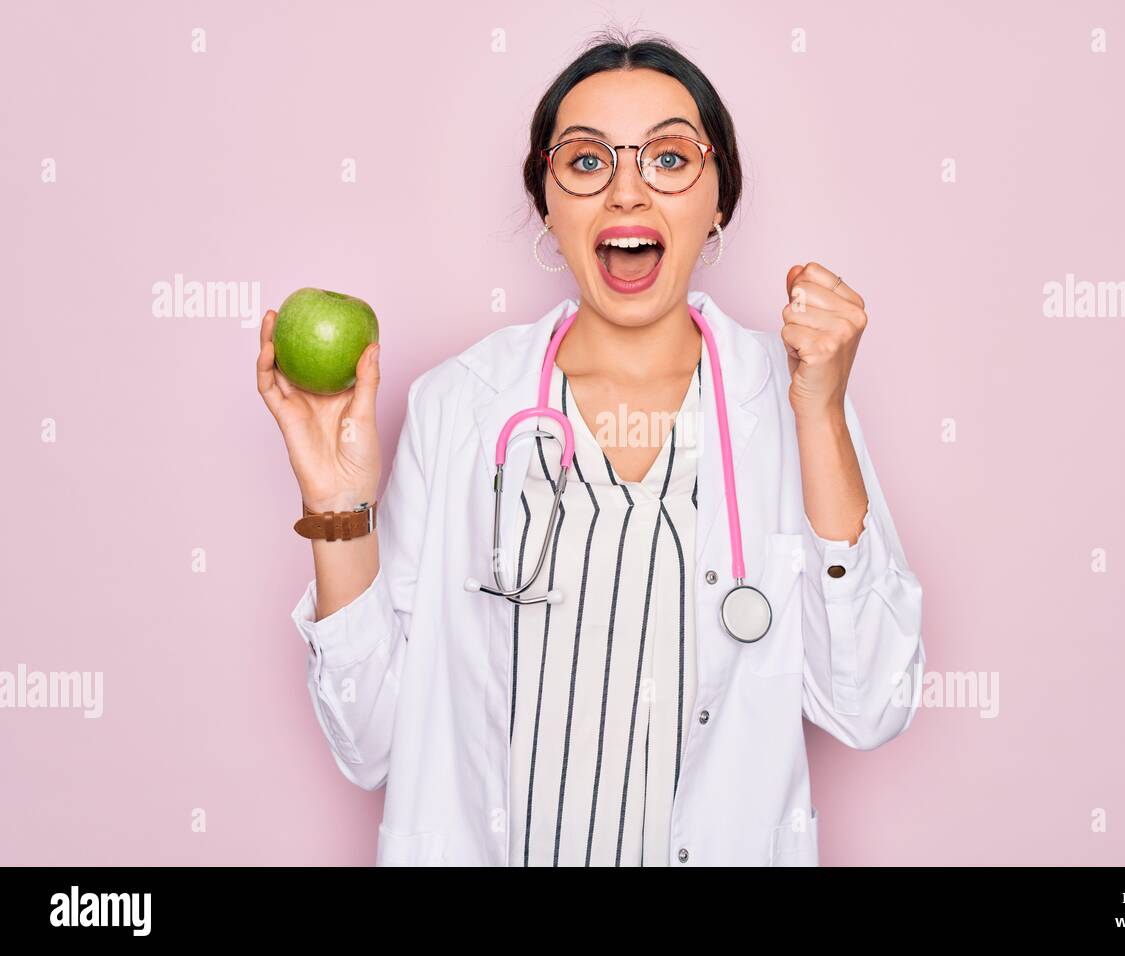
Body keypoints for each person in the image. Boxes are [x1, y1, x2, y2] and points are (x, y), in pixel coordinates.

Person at [256, 31, 925, 867]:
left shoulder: (791, 397)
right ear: (548, 202)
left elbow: (870, 705)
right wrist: (335, 509)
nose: (627, 194)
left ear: (721, 198)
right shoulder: (459, 406)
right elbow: (370, 742)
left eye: (671, 159)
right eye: (585, 163)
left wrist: (821, 410)